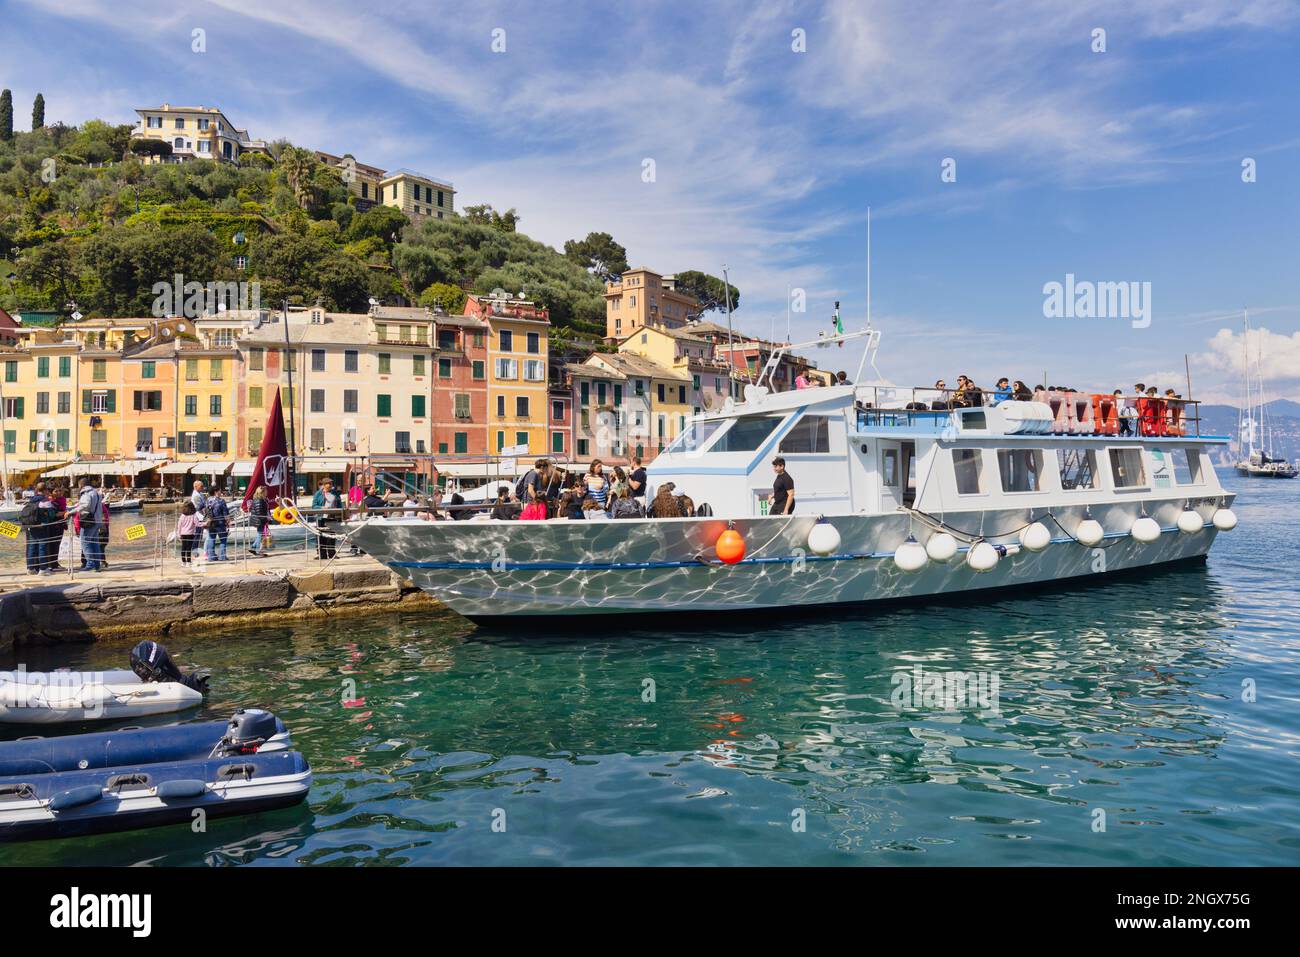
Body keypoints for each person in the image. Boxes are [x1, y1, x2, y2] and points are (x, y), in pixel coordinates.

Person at [76, 479, 104, 572]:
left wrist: (71, 511)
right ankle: (97, 564)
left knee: (85, 542)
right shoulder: (97, 493)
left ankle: (90, 564)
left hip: (89, 521)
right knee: (94, 543)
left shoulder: (86, 493)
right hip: (98, 520)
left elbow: (85, 505)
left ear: (81, 485)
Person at [312, 479, 342, 559]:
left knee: (331, 536)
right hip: (321, 517)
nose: (330, 485)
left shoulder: (335, 493)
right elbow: (314, 506)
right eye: (328, 483)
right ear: (324, 485)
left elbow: (339, 505)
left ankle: (332, 554)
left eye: (331, 483)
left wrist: (340, 515)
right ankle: (322, 554)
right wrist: (322, 507)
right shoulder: (318, 494)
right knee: (321, 536)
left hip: (332, 517)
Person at [204, 487, 230, 561]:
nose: (220, 493)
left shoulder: (208, 500)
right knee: (223, 539)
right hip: (220, 523)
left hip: (211, 523)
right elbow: (226, 514)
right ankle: (222, 556)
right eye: (219, 491)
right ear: (216, 492)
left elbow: (205, 511)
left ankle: (211, 556)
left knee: (211, 539)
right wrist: (228, 522)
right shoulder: (221, 501)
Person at [247, 485, 272, 555]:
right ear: (262, 492)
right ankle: (257, 550)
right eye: (266, 491)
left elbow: (265, 509)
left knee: (261, 534)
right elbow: (259, 513)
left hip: (261, 520)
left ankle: (253, 548)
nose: (267, 492)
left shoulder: (263, 499)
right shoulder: (259, 500)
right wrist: (266, 519)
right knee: (261, 535)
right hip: (260, 521)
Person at [177, 500, 203, 566]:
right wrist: (205, 523)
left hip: (183, 534)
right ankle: (188, 562)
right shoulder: (193, 515)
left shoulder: (182, 516)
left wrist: (179, 534)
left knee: (183, 548)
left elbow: (179, 525)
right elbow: (197, 524)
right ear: (192, 507)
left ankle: (183, 562)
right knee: (189, 548)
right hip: (190, 534)